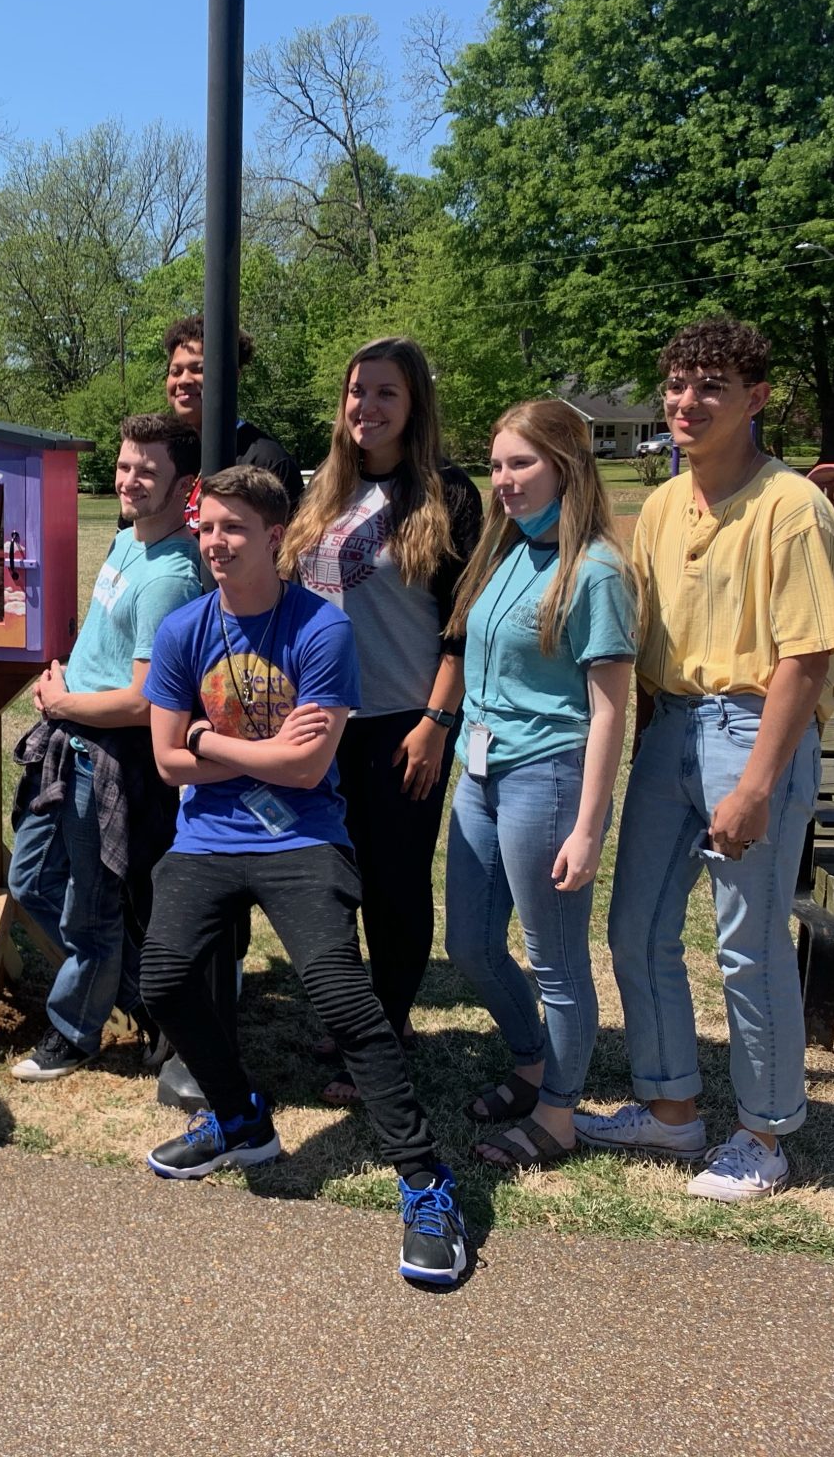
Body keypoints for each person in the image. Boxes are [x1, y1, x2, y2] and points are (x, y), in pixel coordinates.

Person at [138, 465, 468, 1288]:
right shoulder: (184, 631)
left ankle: (427, 1184)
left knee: (342, 994)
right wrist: (242, 752)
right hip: (207, 836)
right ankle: (241, 1116)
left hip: (303, 837)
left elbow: (308, 765)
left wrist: (212, 743)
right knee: (164, 979)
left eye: (235, 529)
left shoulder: (320, 629)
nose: (216, 542)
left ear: (274, 536)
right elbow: (166, 761)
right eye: (208, 527)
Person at [577, 319, 834, 1202]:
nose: (687, 403)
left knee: (748, 944)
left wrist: (761, 785)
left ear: (757, 399)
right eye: (678, 386)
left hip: (752, 733)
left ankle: (764, 1133)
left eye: (712, 388)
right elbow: (637, 636)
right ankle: (671, 1110)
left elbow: (805, 660)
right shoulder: (660, 505)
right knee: (637, 930)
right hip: (671, 732)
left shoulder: (792, 507)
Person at [282, 336, 483, 1100]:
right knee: (332, 879)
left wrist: (437, 719)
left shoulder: (446, 495)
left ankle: (386, 1030)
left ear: (414, 405)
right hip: (321, 723)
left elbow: (461, 622)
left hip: (405, 721)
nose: (367, 406)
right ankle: (357, 1017)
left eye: (386, 393)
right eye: (357, 391)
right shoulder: (323, 492)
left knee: (395, 885)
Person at [441, 401, 635, 1170]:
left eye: (521, 464)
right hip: (480, 774)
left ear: (566, 465)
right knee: (468, 944)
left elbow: (611, 705)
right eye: (497, 466)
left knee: (554, 960)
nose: (504, 481)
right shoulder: (510, 550)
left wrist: (588, 826)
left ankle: (558, 1116)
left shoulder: (598, 571)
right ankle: (531, 1062)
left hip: (548, 779)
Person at [6, 414, 206, 1081]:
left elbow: (146, 700)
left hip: (105, 758)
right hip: (66, 736)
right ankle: (141, 996)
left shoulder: (172, 575)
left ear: (185, 486)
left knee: (89, 908)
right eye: (125, 466)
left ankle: (74, 1031)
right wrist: (61, 679)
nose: (129, 479)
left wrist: (64, 702)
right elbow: (105, 648)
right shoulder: (128, 542)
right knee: (30, 879)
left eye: (147, 470)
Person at [159, 315, 304, 518]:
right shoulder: (160, 454)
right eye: (175, 371)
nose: (183, 380)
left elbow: (288, 547)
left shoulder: (266, 461)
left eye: (198, 369)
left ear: (231, 378)